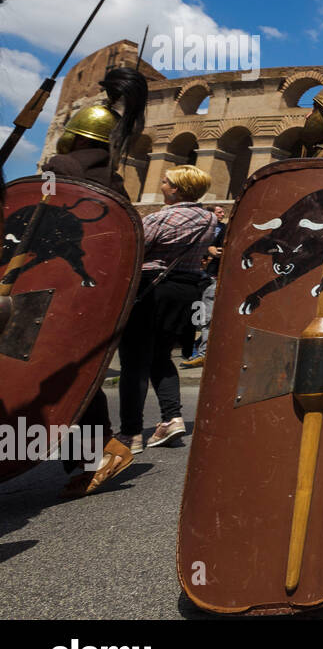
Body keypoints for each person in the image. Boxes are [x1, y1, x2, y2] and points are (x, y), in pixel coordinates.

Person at [41, 65, 146, 496]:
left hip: (43, 283)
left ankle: (95, 451)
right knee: (73, 368)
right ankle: (93, 451)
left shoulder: (59, 167)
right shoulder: (114, 185)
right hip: (86, 291)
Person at [116, 165, 220, 454]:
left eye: (165, 181)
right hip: (185, 291)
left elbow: (136, 249)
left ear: (176, 188)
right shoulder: (209, 218)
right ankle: (171, 418)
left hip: (153, 288)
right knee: (161, 356)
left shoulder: (162, 217)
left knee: (134, 361)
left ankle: (130, 434)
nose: (161, 184)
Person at [183, 205, 226, 366]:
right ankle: (203, 353)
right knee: (206, 318)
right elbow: (211, 246)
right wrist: (214, 251)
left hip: (232, 280)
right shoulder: (227, 228)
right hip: (214, 277)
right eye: (219, 212)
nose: (223, 214)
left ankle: (207, 353)